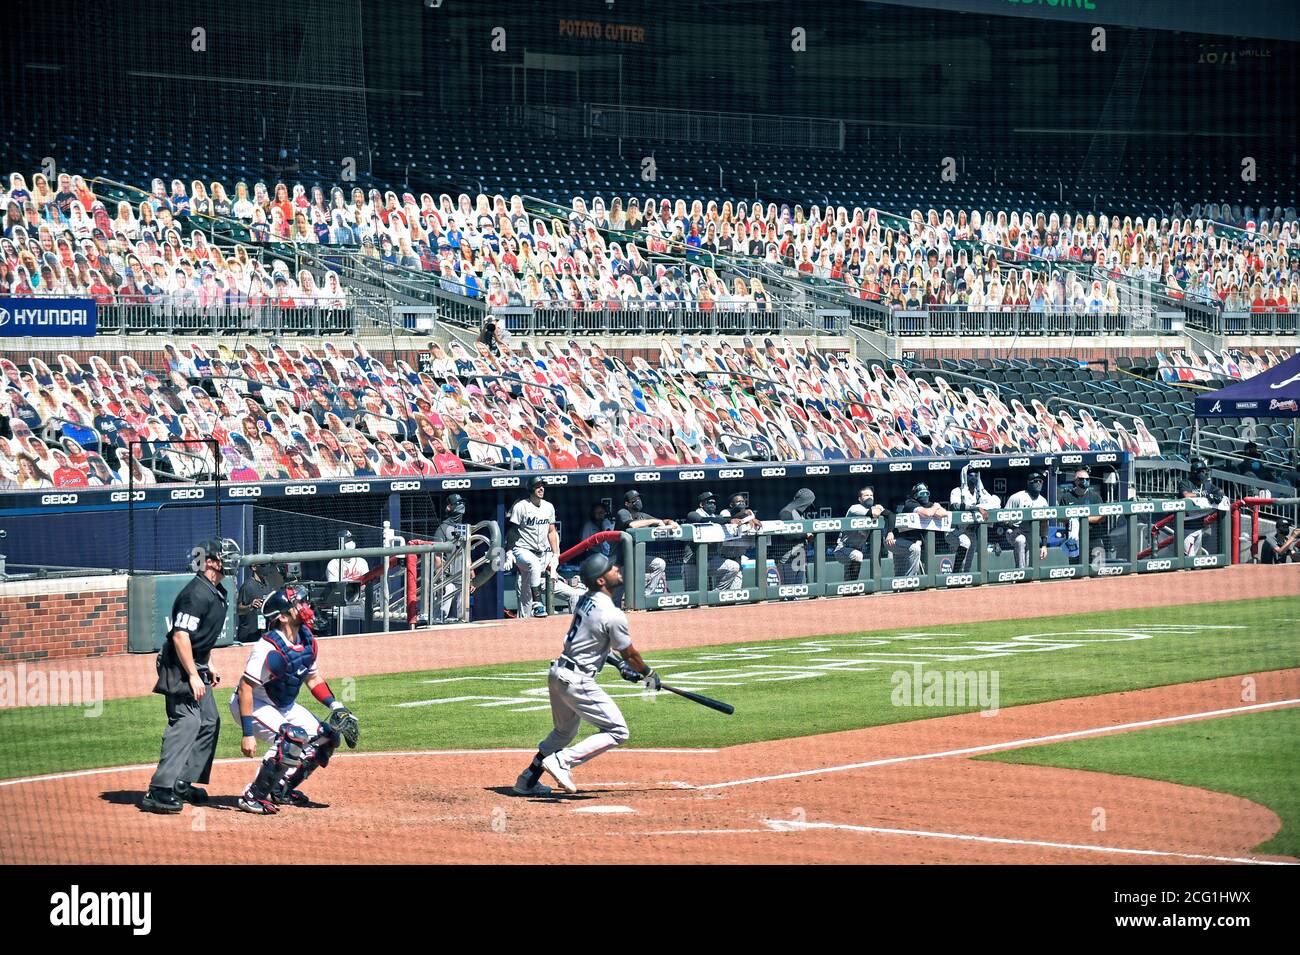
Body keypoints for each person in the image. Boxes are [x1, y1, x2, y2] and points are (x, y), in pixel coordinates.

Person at [512, 554, 658, 796]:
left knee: (563, 732)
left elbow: (592, 642)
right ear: (601, 580)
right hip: (577, 680)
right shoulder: (613, 614)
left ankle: (527, 779)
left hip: (558, 672)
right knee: (618, 731)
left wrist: (617, 665)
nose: (617, 569)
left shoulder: (586, 600)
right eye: (611, 569)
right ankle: (563, 761)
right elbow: (630, 654)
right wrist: (648, 673)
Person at [230, 584, 359, 814]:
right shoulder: (267, 648)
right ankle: (253, 795)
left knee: (327, 737)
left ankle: (283, 788)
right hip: (254, 704)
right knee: (291, 738)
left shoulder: (306, 639)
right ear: (282, 616)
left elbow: (313, 678)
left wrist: (336, 705)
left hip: (283, 705)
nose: (305, 607)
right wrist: (248, 734)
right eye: (298, 604)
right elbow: (245, 688)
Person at [140, 538, 239, 814]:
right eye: (225, 556)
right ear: (209, 562)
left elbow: (199, 640)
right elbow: (181, 637)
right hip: (177, 664)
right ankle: (159, 789)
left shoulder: (217, 591)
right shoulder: (195, 594)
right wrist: (194, 675)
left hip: (195, 663)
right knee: (187, 720)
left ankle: (181, 782)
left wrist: (209, 664)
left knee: (209, 721)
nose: (231, 560)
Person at [509, 475, 560, 618]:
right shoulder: (521, 506)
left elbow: (551, 531)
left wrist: (555, 554)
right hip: (522, 549)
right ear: (531, 489)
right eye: (538, 486)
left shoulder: (549, 506)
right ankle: (538, 603)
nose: (541, 488)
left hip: (541, 553)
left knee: (526, 608)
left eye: (543, 485)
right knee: (534, 565)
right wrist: (508, 552)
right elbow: (512, 531)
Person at [615, 489, 679, 595]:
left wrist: (671, 523)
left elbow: (663, 521)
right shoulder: (623, 512)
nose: (638, 501)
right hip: (620, 561)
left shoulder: (642, 516)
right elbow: (632, 525)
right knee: (617, 598)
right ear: (627, 503)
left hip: (636, 558)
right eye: (634, 500)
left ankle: (646, 595)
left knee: (659, 564)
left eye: (638, 499)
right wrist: (654, 521)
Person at [685, 490, 746, 591]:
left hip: (711, 561)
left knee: (734, 567)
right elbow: (703, 520)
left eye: (714, 503)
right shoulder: (693, 514)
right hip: (692, 562)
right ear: (701, 504)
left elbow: (728, 518)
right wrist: (728, 520)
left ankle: (716, 594)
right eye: (710, 502)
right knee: (692, 596)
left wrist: (748, 518)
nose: (713, 505)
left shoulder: (716, 517)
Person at [946, 464, 1001, 572]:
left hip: (971, 531)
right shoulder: (957, 491)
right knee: (965, 542)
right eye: (971, 474)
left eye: (976, 474)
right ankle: (955, 574)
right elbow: (955, 506)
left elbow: (995, 503)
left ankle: (963, 582)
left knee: (968, 565)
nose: (974, 477)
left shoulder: (979, 493)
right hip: (954, 530)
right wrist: (976, 508)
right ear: (965, 476)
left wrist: (987, 505)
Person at [833, 486, 894, 583]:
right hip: (842, 549)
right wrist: (878, 509)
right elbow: (874, 513)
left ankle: (849, 591)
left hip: (856, 549)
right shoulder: (855, 508)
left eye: (871, 495)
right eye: (866, 495)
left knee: (851, 570)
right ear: (860, 499)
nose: (870, 497)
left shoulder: (874, 508)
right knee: (857, 556)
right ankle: (853, 587)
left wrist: (890, 532)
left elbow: (891, 515)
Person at [890, 483, 949, 578]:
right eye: (922, 494)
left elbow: (944, 513)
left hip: (909, 541)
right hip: (895, 540)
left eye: (926, 493)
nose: (925, 496)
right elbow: (927, 513)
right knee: (914, 550)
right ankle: (910, 582)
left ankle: (904, 588)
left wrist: (934, 510)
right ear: (915, 495)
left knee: (900, 573)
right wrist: (935, 507)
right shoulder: (910, 503)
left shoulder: (928, 504)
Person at [431, 493, 470, 623]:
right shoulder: (442, 528)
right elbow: (437, 556)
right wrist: (439, 577)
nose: (461, 506)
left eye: (462, 503)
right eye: (457, 503)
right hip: (447, 577)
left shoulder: (465, 527)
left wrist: (471, 569)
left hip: (461, 574)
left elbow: (465, 550)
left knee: (463, 616)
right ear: (449, 507)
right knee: (440, 616)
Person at [1059, 466, 1106, 570]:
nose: (1085, 481)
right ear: (1076, 481)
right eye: (1082, 479)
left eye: (1087, 479)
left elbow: (1102, 517)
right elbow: (1060, 518)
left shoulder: (1095, 496)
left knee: (1098, 568)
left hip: (1094, 537)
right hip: (1074, 538)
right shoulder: (1066, 497)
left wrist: (1084, 519)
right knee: (1076, 570)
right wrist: (1073, 519)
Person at [1178, 457, 1225, 557]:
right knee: (1188, 558)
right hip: (1186, 526)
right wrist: (1203, 495)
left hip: (1199, 526)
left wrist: (1219, 494)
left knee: (1194, 558)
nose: (1203, 474)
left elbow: (1219, 491)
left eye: (1204, 471)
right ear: (1194, 473)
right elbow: (1186, 495)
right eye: (1201, 472)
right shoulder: (1185, 483)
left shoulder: (1206, 484)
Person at [1002, 470, 1050, 569]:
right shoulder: (1017, 497)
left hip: (1031, 533)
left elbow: (1044, 524)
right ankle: (1020, 572)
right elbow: (1003, 519)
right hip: (1014, 531)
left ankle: (1027, 577)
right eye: (1035, 481)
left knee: (1029, 560)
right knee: (1020, 540)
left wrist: (1044, 545)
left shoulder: (1043, 501)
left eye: (1040, 481)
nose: (1038, 483)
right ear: (1028, 483)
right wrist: (1013, 527)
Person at [326, 529, 370, 629]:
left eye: (351, 540)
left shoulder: (362, 562)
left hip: (360, 603)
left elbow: (366, 585)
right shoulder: (333, 564)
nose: (351, 543)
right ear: (341, 543)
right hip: (342, 606)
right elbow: (336, 589)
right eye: (348, 540)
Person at [774, 488, 816, 586]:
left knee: (796, 591)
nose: (808, 507)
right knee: (787, 593)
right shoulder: (786, 512)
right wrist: (806, 534)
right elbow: (788, 535)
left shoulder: (799, 514)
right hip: (787, 558)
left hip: (800, 555)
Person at [235, 562, 272, 644]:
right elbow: (238, 610)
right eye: (263, 565)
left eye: (268, 565)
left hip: (263, 634)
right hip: (248, 636)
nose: (266, 567)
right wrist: (250, 606)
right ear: (254, 567)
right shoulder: (248, 586)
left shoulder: (267, 584)